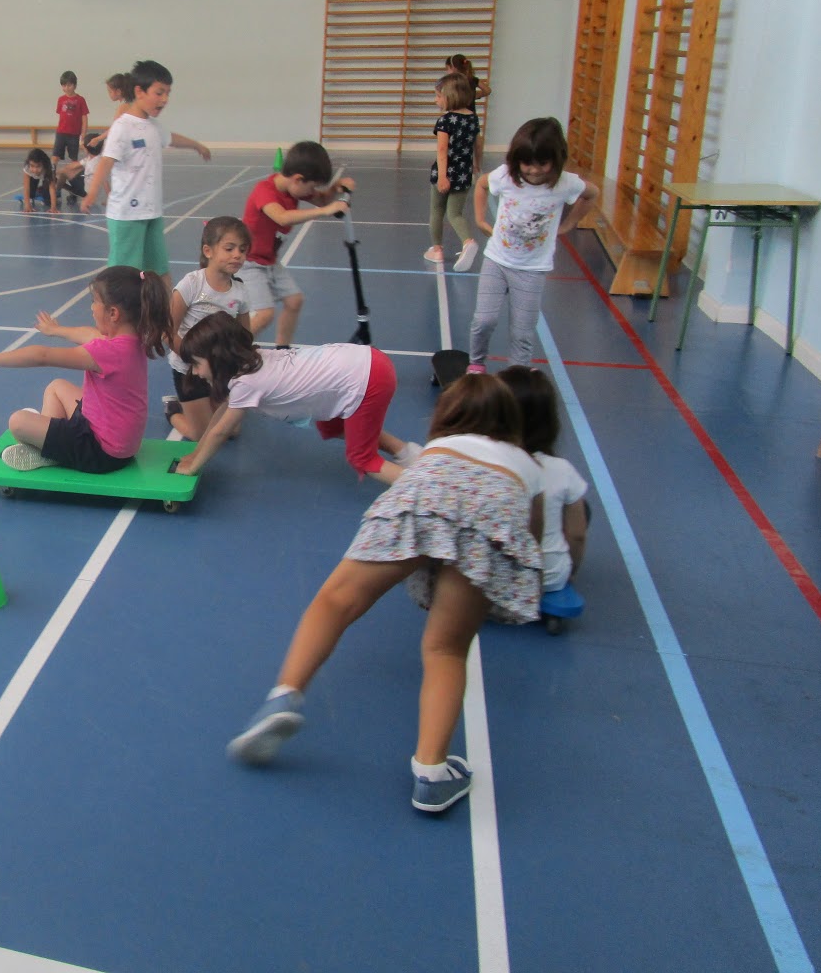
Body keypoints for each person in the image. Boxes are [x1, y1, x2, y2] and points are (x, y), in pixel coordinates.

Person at [225, 373, 544, 815]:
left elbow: (428, 500)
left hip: (422, 495)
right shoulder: (528, 466)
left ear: (447, 416)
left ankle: (284, 695)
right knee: (446, 649)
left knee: (335, 602)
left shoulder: (438, 449)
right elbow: (528, 536)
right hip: (493, 514)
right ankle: (431, 773)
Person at [0, 266, 171, 473]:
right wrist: (56, 330)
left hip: (101, 452)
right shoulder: (134, 339)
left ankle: (52, 452)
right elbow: (88, 334)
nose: (91, 308)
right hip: (118, 442)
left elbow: (42, 356)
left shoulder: (108, 352)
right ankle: (51, 444)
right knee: (56, 387)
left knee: (18, 422)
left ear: (113, 313)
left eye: (94, 301)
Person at [171, 312, 420, 486]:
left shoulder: (247, 383)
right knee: (335, 426)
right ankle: (410, 455)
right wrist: (196, 452)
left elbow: (220, 431)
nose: (195, 372)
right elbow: (219, 416)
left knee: (362, 458)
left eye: (197, 364)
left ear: (218, 358)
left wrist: (194, 466)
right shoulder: (250, 362)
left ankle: (423, 488)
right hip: (366, 361)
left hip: (366, 378)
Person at [466, 117, 600, 372]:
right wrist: (480, 219)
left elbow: (592, 194)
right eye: (527, 163)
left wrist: (570, 223)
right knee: (484, 320)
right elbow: (482, 184)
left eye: (542, 163)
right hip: (497, 260)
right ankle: (476, 364)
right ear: (517, 159)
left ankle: (518, 375)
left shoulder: (565, 183)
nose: (534, 170)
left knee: (522, 332)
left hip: (532, 269)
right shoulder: (506, 176)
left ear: (556, 160)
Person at [82, 60, 211, 283]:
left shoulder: (153, 125)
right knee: (124, 275)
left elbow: (171, 138)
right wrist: (92, 193)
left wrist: (196, 145)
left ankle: (167, 306)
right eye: (159, 93)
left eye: (168, 93)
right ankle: (115, 305)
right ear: (139, 92)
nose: (165, 99)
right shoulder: (123, 127)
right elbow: (106, 161)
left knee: (159, 270)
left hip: (151, 212)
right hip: (127, 215)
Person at [497, 366, 589, 615]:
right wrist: (569, 573)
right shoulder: (563, 469)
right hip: (549, 578)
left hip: (490, 579)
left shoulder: (486, 464)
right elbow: (577, 535)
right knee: (580, 510)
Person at [240, 141, 352, 347]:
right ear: (298, 179)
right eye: (312, 186)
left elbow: (323, 200)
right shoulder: (264, 191)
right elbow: (282, 217)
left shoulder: (294, 189)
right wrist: (324, 212)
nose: (312, 191)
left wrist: (336, 188)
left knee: (294, 301)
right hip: (248, 262)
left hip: (269, 261)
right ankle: (230, 349)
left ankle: (283, 349)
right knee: (264, 314)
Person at [163, 216, 252, 441]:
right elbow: (167, 332)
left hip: (219, 371)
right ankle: (173, 410)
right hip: (188, 370)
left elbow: (245, 336)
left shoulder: (240, 291)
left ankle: (201, 406)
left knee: (231, 431)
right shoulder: (192, 284)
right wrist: (194, 360)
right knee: (202, 435)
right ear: (208, 251)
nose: (237, 255)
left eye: (242, 250)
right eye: (229, 248)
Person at [426, 72, 482, 270]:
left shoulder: (445, 121)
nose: (436, 100)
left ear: (449, 97)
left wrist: (442, 176)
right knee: (456, 213)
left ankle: (437, 250)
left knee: (437, 211)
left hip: (445, 172)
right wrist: (476, 164)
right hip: (464, 172)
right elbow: (477, 144)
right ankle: (467, 241)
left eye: (438, 96)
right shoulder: (473, 119)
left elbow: (442, 150)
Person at [52, 132, 98, 210]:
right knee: (75, 171)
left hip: (87, 194)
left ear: (87, 148)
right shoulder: (93, 159)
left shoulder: (89, 161)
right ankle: (67, 192)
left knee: (65, 172)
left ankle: (57, 191)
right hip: (90, 191)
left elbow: (69, 168)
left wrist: (53, 173)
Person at [53, 71, 88, 164]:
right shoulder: (61, 99)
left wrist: (83, 133)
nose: (67, 88)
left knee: (73, 158)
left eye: (69, 85)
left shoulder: (80, 100)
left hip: (74, 134)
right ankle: (52, 172)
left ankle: (74, 172)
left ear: (75, 85)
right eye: (64, 86)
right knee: (55, 156)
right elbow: (61, 116)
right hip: (61, 132)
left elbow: (84, 118)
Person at [17, 148, 55, 213]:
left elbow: (52, 188)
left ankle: (47, 190)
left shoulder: (49, 168)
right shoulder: (27, 168)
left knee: (47, 199)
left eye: (38, 166)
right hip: (33, 178)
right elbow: (26, 187)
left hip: (46, 177)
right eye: (32, 166)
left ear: (43, 164)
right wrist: (27, 205)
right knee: (30, 194)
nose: (35, 170)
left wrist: (53, 207)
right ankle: (39, 190)